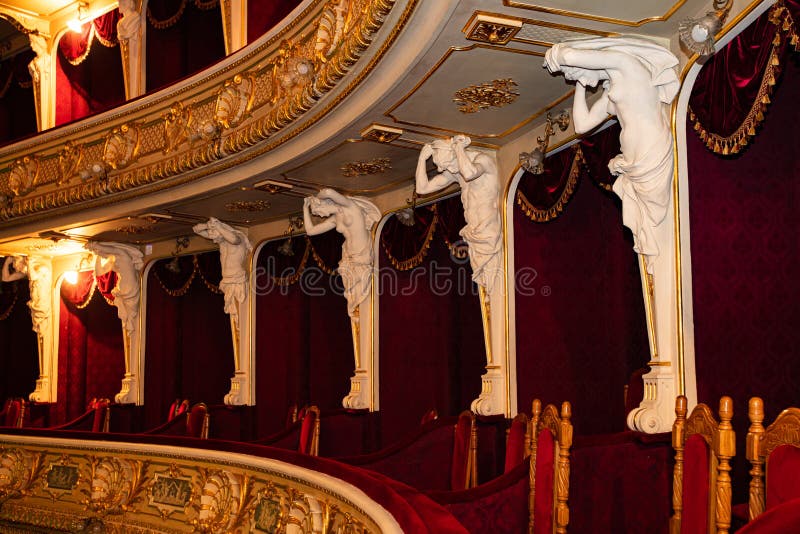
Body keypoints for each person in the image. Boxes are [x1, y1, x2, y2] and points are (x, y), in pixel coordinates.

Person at [544, 36, 680, 272]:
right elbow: (582, 125)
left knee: (657, 224)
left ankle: (663, 269)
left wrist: (558, 55)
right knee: (646, 225)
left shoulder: (626, 63)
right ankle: (657, 269)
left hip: (650, 154)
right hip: (633, 164)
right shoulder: (612, 92)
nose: (575, 76)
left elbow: (570, 55)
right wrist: (580, 83)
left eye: (575, 73)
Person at [415, 135, 502, 294]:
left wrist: (459, 147)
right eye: (440, 166)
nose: (441, 170)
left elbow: (469, 173)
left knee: (494, 283)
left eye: (445, 164)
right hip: (473, 233)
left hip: (489, 230)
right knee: (486, 287)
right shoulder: (454, 172)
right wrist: (422, 159)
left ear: (455, 153)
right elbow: (422, 189)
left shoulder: (483, 161)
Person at [303, 188, 381, 319]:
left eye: (318, 211)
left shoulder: (351, 207)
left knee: (361, 292)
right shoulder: (335, 219)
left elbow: (328, 192)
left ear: (326, 203)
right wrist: (305, 208)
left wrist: (315, 199)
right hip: (347, 257)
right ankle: (357, 319)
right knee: (351, 294)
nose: (320, 215)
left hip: (361, 254)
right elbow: (311, 231)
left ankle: (360, 318)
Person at [192, 218, 252, 319]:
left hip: (237, 279)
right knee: (233, 314)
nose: (214, 240)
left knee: (239, 314)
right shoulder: (222, 241)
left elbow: (234, 240)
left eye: (215, 236)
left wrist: (218, 226)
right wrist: (207, 226)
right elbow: (195, 229)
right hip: (226, 280)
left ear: (221, 231)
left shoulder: (239, 237)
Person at [85, 242, 144, 335]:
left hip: (128, 287)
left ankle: (130, 323)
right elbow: (99, 272)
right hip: (126, 287)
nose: (104, 256)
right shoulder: (113, 260)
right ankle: (130, 323)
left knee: (130, 311)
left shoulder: (123, 255)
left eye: (103, 254)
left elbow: (111, 250)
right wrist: (97, 255)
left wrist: (96, 247)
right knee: (129, 311)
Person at [2, 255, 51, 335]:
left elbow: (32, 276)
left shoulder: (39, 268)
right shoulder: (25, 273)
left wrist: (29, 263)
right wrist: (7, 262)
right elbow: (5, 278)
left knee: (41, 318)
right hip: (33, 301)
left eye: (15, 265)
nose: (15, 268)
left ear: (22, 263)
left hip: (41, 297)